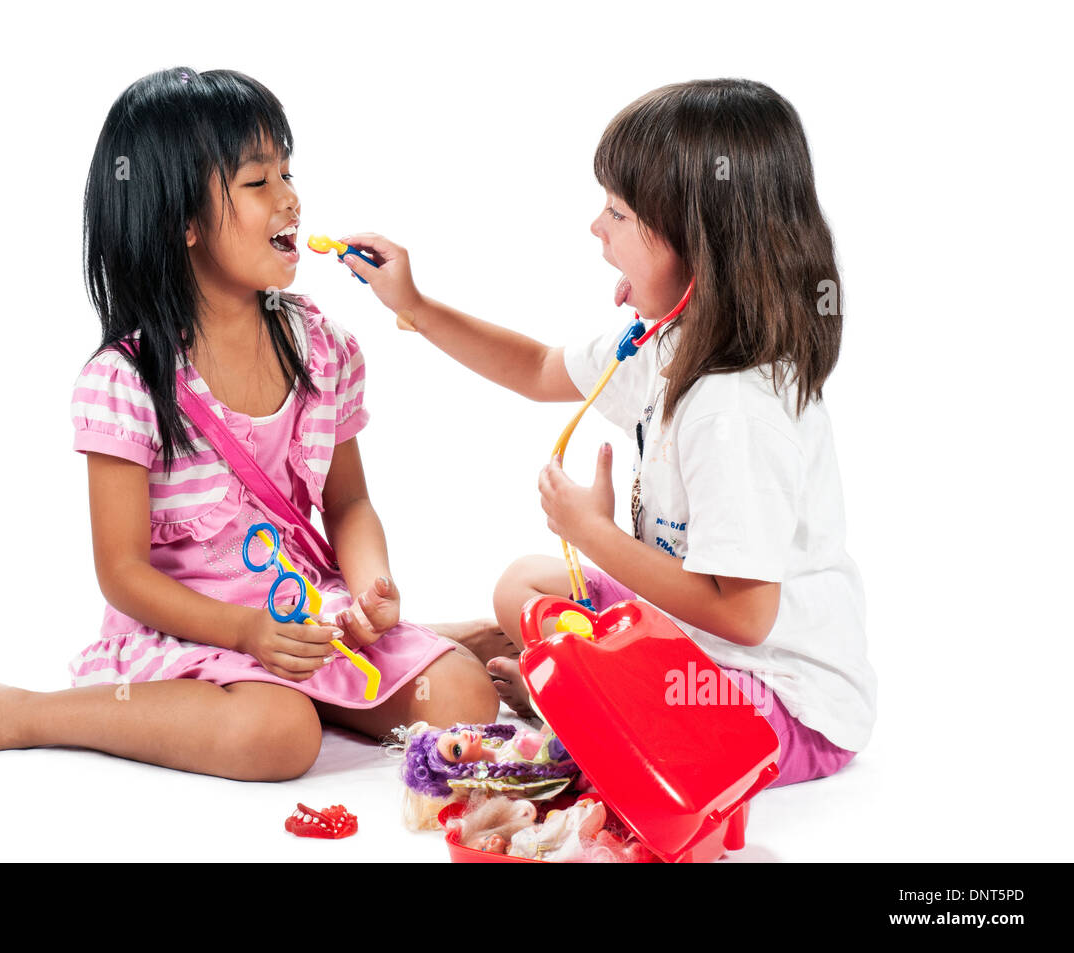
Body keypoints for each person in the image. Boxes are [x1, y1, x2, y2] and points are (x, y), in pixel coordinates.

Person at [0, 68, 497, 781]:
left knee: (465, 695)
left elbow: (348, 503)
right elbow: (121, 572)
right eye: (258, 181)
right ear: (180, 222)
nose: (290, 197)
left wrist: (371, 586)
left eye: (287, 169)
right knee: (278, 735)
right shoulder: (125, 380)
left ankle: (343, 668)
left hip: (300, 611)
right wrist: (247, 631)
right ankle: (22, 711)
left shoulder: (325, 347)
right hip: (191, 626)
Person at [336, 79, 876, 787]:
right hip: (690, 643)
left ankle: (568, 697)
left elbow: (745, 615)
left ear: (696, 246)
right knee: (521, 584)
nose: (596, 227)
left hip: (773, 699)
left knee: (646, 730)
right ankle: (563, 686)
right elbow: (534, 367)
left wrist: (592, 534)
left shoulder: (733, 409)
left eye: (618, 213)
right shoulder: (665, 340)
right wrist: (413, 304)